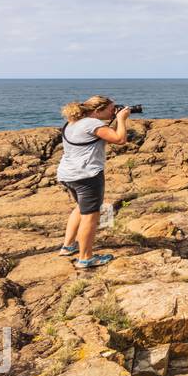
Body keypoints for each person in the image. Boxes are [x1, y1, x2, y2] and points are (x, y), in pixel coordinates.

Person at [55, 95, 130, 269]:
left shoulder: (73, 122)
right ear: (98, 111)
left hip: (68, 174)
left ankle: (68, 246)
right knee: (90, 216)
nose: (113, 111)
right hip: (86, 176)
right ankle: (85, 258)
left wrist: (113, 117)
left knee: (81, 209)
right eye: (111, 109)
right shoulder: (93, 124)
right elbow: (120, 139)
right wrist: (121, 119)